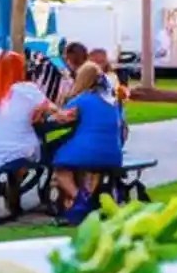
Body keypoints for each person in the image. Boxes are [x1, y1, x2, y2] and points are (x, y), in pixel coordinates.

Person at [0, 51, 62, 213]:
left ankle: (12, 188)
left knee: (16, 153)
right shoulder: (27, 89)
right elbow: (54, 109)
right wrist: (40, 110)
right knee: (38, 152)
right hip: (18, 148)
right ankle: (19, 188)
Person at [51, 63, 124, 223]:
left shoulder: (82, 100)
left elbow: (61, 117)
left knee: (60, 166)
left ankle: (81, 201)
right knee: (85, 162)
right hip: (114, 154)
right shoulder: (113, 101)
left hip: (87, 152)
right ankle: (86, 198)